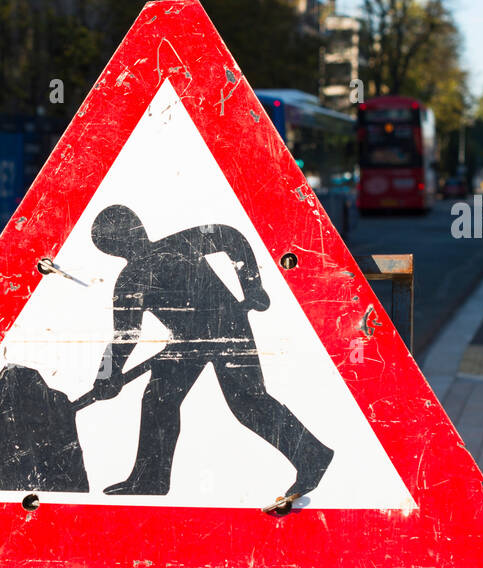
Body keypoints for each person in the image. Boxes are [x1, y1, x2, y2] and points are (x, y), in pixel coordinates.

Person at [87, 204, 334, 509]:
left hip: (226, 327)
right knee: (158, 399)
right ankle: (151, 479)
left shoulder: (172, 248)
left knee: (248, 401)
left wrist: (252, 285)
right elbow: (125, 337)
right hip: (186, 342)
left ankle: (313, 455)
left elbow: (231, 238)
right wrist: (106, 376)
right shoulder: (131, 280)